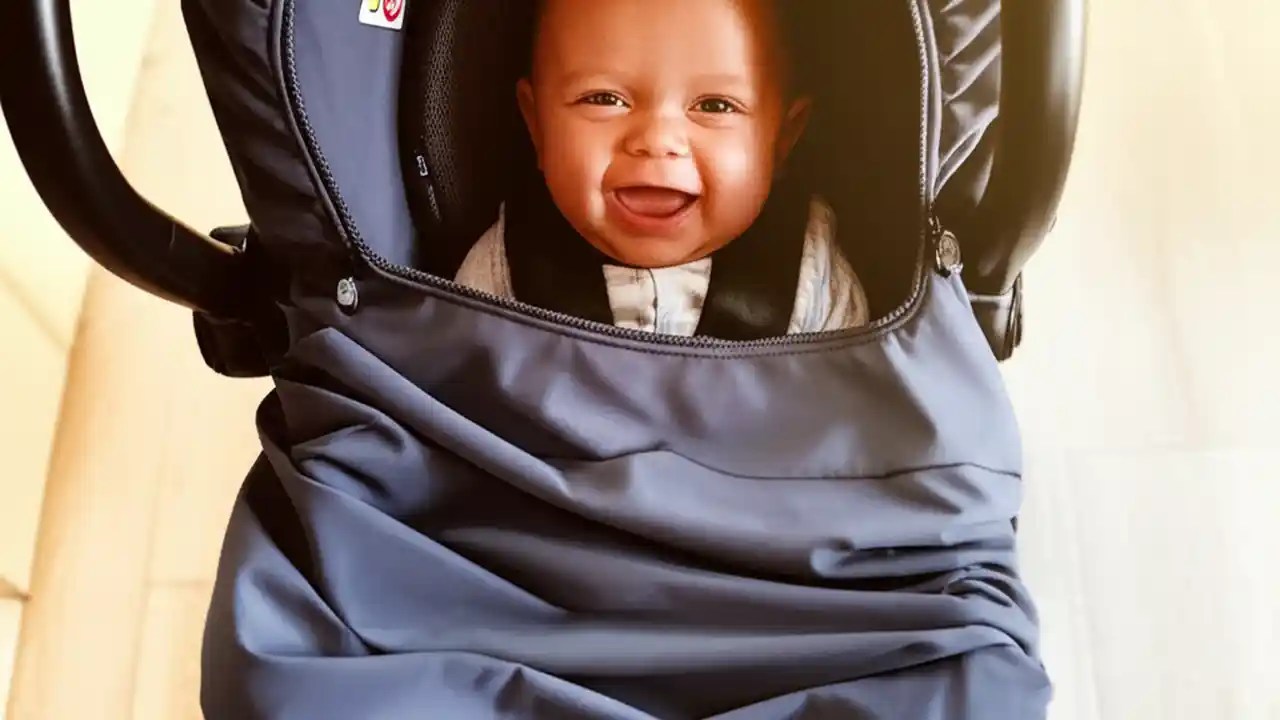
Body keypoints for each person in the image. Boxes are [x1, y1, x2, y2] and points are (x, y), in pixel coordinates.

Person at [455, 0, 868, 336]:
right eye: (603, 98)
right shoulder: (503, 270)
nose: (656, 140)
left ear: (781, 142)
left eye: (715, 106)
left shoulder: (810, 278)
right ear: (537, 126)